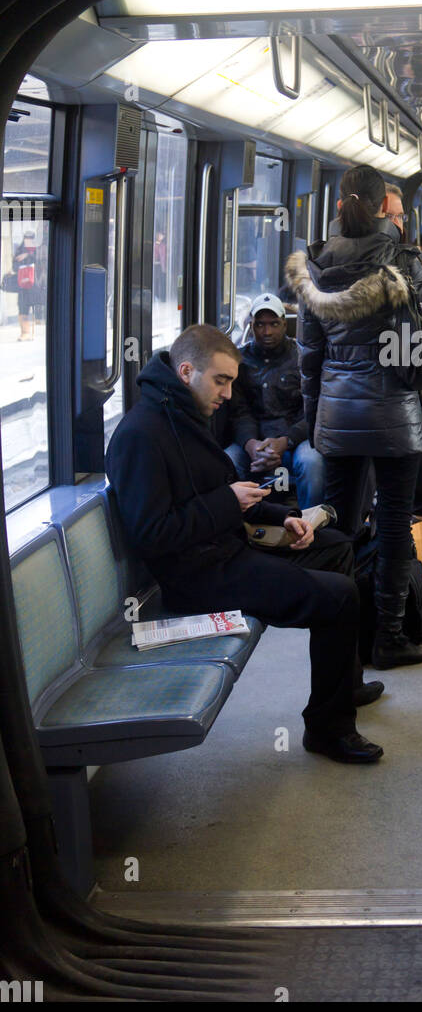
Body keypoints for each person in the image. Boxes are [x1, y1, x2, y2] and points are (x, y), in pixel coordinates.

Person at [105, 324, 384, 765]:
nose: (229, 394)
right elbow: (152, 533)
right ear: (185, 371)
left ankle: (343, 685)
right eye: (221, 380)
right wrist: (227, 502)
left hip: (224, 550)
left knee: (336, 545)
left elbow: (227, 496)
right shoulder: (142, 435)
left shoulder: (186, 417)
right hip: (198, 578)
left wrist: (285, 517)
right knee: (339, 596)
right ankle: (328, 729)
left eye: (232, 381)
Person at [286, 164, 422, 669]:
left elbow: (309, 355)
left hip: (336, 413)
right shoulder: (401, 259)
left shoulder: (314, 266)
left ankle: (344, 643)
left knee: (340, 525)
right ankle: (389, 636)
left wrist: (316, 422)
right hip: (394, 410)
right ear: (379, 208)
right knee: (393, 524)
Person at [223, 293, 326, 508]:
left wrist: (286, 441)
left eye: (274, 324)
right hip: (255, 437)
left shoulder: (302, 357)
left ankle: (314, 525)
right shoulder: (239, 361)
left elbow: (312, 410)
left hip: (296, 435)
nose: (266, 331)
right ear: (252, 326)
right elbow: (240, 412)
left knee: (312, 462)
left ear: (284, 324)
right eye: (260, 325)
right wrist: (251, 444)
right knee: (228, 460)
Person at [13, 230, 37, 341]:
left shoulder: (36, 250)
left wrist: (28, 255)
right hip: (22, 285)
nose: (28, 240)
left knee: (33, 306)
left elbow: (40, 261)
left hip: (34, 285)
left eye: (30, 238)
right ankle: (24, 333)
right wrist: (20, 263)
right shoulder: (19, 250)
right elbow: (14, 266)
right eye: (26, 238)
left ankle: (31, 332)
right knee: (22, 307)